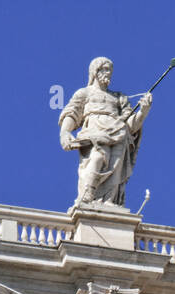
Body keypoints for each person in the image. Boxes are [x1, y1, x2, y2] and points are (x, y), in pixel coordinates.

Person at [58, 57, 151, 208]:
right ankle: (87, 195)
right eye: (105, 69)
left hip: (119, 133)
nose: (109, 73)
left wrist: (143, 112)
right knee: (98, 157)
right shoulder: (84, 93)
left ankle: (108, 203)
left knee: (115, 170)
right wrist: (65, 132)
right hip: (94, 132)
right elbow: (72, 113)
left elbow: (130, 124)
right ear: (95, 71)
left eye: (110, 70)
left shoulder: (119, 97)